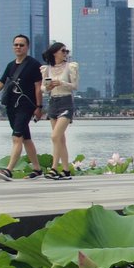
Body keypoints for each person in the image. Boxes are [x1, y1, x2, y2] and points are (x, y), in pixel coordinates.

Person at [0, 34, 44, 180]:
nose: (18, 47)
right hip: (11, 106)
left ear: (27, 47)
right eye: (16, 45)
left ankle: (9, 170)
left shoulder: (34, 65)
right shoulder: (10, 65)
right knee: (25, 138)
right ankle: (37, 170)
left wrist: (39, 107)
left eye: (21, 45)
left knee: (16, 137)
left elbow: (38, 87)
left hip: (26, 106)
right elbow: (1, 83)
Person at [40, 42, 79, 179]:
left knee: (55, 136)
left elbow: (75, 86)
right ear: (55, 52)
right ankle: (66, 170)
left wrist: (62, 83)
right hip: (53, 102)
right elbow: (42, 89)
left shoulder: (71, 67)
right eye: (63, 51)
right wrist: (48, 87)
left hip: (66, 102)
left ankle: (54, 168)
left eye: (66, 51)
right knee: (60, 139)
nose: (65, 53)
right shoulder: (47, 69)